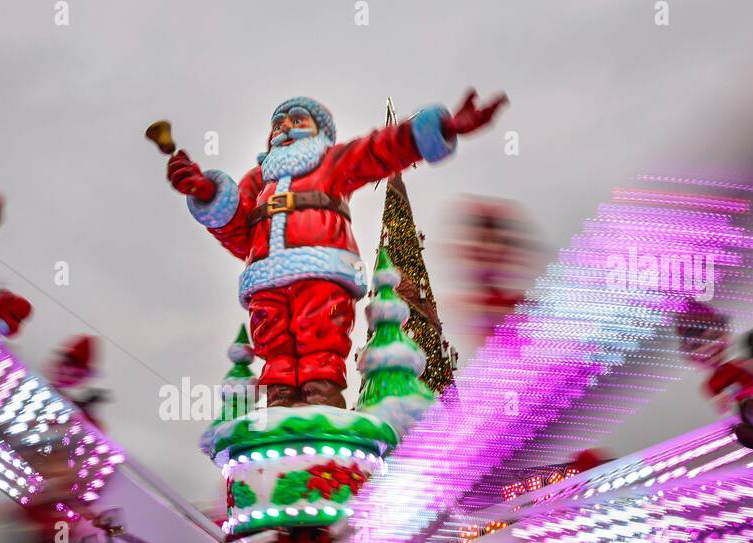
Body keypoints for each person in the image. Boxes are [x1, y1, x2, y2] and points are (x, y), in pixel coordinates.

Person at [165, 90, 505, 408]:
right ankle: (281, 395)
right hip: (266, 279)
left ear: (320, 130)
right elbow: (240, 234)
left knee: (321, 332)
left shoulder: (333, 162)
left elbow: (378, 150)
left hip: (323, 270)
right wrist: (207, 192)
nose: (285, 127)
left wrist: (436, 128)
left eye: (297, 120)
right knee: (272, 337)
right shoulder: (257, 183)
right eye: (278, 124)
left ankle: (320, 392)